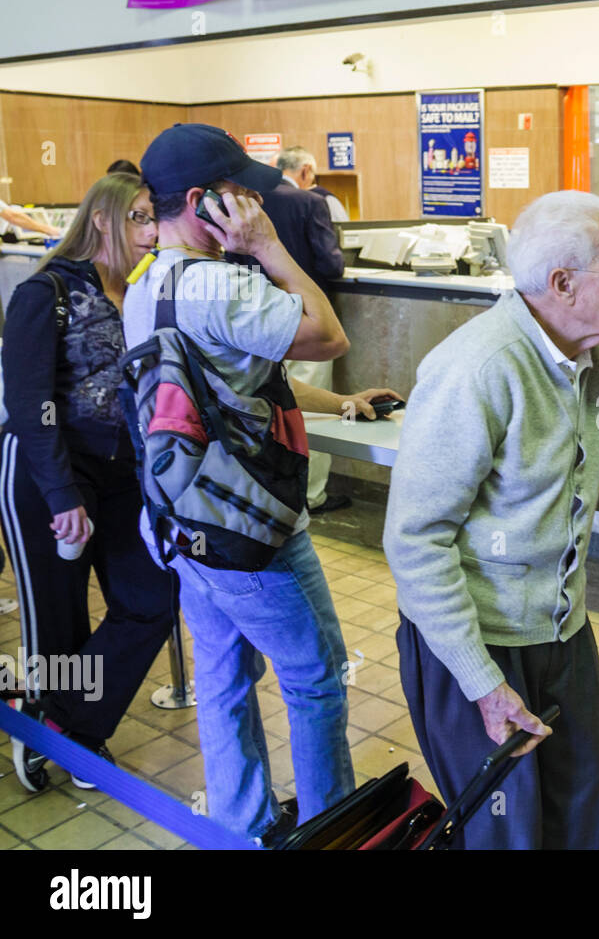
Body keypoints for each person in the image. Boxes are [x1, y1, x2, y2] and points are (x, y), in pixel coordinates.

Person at [122, 123, 399, 844]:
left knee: (222, 677)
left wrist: (337, 402)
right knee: (316, 677)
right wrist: (269, 248)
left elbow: (235, 381)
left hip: (187, 523)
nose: (251, 201)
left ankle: (241, 822)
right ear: (199, 199)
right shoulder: (219, 281)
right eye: (238, 191)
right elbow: (326, 335)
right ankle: (330, 828)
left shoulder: (146, 284)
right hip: (254, 530)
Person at [384, 191, 599, 849]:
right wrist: (484, 684)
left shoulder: (590, 355)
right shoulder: (478, 369)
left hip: (562, 633)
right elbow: (414, 541)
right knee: (504, 835)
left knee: (577, 816)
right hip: (475, 649)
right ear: (564, 284)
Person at [1, 172, 175, 791]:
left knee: (151, 599)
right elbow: (29, 403)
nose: (152, 229)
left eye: (155, 217)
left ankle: (66, 723)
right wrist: (61, 495)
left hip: (121, 472)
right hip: (46, 473)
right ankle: (63, 728)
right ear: (101, 219)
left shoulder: (142, 291)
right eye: (139, 217)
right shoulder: (44, 292)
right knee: (59, 618)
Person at [258, 146, 349, 514]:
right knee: (312, 406)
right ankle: (311, 494)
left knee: (271, 398)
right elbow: (331, 265)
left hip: (258, 317)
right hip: (304, 317)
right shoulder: (309, 202)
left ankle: (282, 489)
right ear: (307, 171)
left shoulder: (251, 201)